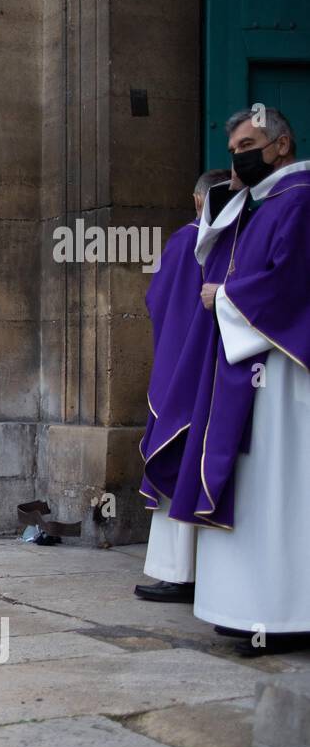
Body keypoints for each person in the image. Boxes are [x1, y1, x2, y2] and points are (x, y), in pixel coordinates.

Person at [170, 107, 310, 655]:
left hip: (280, 370)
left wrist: (224, 299)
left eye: (248, 144)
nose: (239, 156)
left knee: (276, 485)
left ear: (281, 145)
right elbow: (213, 251)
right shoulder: (264, 200)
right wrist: (232, 196)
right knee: (253, 484)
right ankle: (248, 609)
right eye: (232, 149)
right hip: (249, 359)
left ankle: (281, 611)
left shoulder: (298, 200)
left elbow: (290, 284)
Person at [134, 168, 232, 603]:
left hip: (183, 369)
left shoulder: (183, 242)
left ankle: (177, 572)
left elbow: (159, 303)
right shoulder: (235, 243)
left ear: (197, 200)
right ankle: (212, 574)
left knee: (180, 453)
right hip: (228, 369)